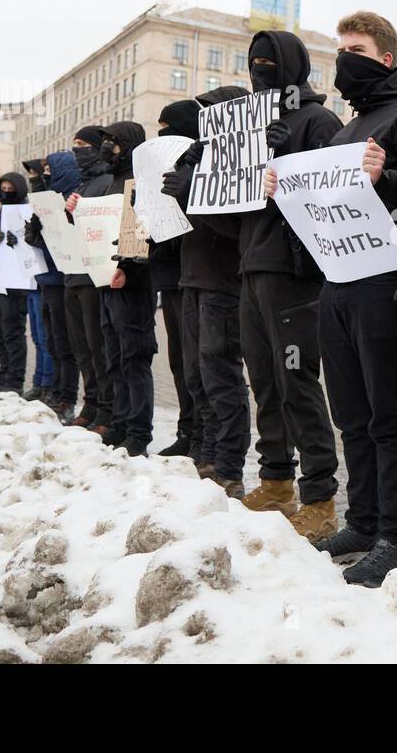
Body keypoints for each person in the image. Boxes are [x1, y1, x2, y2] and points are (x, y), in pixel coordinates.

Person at [284, 11, 397, 586]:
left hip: (386, 285)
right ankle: (363, 521)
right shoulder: (346, 131)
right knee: (352, 414)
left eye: (357, 48)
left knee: (390, 416)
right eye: (341, 47)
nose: (345, 57)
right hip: (337, 288)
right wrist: (286, 189)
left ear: (384, 57)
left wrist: (384, 178)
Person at [236, 30, 342, 541]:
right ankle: (276, 480)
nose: (259, 70)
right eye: (254, 62)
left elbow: (335, 192)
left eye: (269, 62)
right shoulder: (247, 126)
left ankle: (320, 498)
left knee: (297, 381)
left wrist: (290, 160)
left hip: (296, 273)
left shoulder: (318, 120)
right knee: (265, 380)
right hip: (254, 267)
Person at [159, 92, 253, 498]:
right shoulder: (199, 159)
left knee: (221, 375)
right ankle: (206, 451)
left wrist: (192, 193)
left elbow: (235, 228)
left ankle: (228, 466)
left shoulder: (239, 161)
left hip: (223, 283)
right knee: (197, 376)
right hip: (193, 279)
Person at [90, 121, 158, 456]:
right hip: (107, 280)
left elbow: (144, 231)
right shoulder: (110, 182)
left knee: (134, 358)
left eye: (113, 142)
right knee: (113, 355)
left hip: (133, 283)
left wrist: (128, 266)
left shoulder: (143, 181)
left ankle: (138, 433)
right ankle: (118, 423)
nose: (107, 148)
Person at [62, 127, 115, 435]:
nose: (76, 150)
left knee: (98, 348)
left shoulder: (106, 183)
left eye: (81, 145)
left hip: (95, 277)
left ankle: (106, 411)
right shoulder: (84, 183)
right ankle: (91, 403)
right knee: (82, 348)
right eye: (74, 144)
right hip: (75, 274)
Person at [24, 151, 83, 421]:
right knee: (53, 342)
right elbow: (45, 245)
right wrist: (34, 232)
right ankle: (55, 392)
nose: (45, 173)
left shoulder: (72, 198)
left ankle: (66, 397)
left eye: (49, 168)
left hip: (64, 281)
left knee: (66, 343)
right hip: (47, 280)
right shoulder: (47, 200)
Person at [0, 172, 32, 394]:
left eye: (10, 188)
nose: (6, 192)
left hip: (16, 282)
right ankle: (3, 375)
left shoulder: (26, 212)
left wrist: (18, 243)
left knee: (13, 331)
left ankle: (15, 380)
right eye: (2, 188)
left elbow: (32, 242)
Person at [18, 161, 55, 404]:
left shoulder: (52, 201)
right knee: (37, 337)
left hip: (49, 278)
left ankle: (48, 384)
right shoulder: (32, 204)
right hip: (34, 278)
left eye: (37, 174)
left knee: (46, 338)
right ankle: (39, 382)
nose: (34, 178)